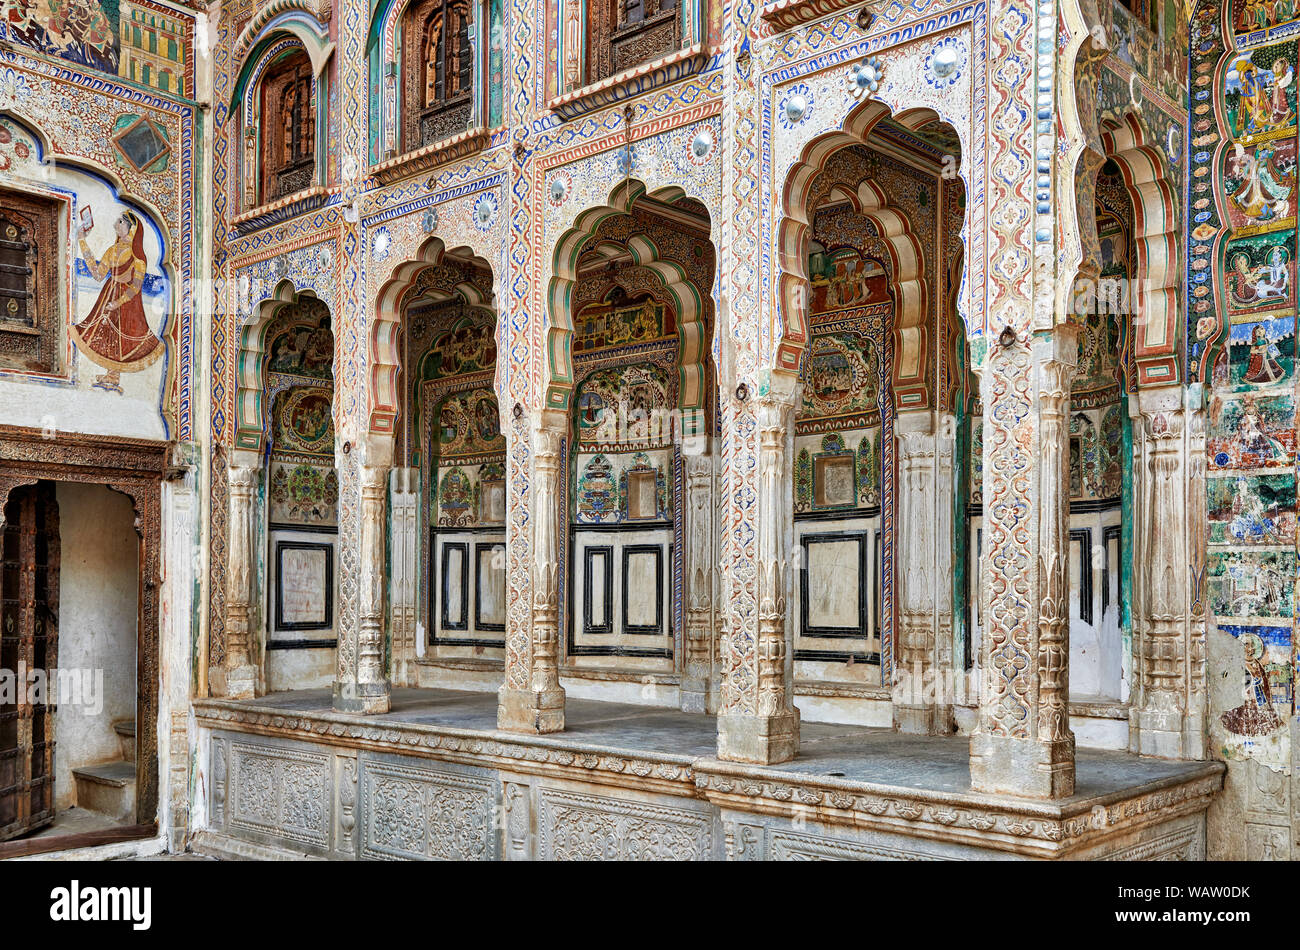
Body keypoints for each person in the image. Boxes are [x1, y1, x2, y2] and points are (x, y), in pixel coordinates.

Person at [71, 210, 162, 391]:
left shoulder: (138, 257)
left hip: (127, 301)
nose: (115, 225)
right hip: (109, 292)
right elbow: (98, 275)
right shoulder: (112, 251)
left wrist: (118, 302)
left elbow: (136, 286)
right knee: (106, 333)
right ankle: (111, 373)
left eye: (120, 222)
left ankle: (114, 374)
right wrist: (82, 241)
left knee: (122, 336)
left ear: (131, 228)